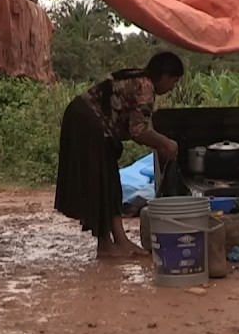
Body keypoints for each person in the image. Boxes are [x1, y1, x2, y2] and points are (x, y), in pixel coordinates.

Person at [56, 52, 184, 257]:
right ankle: (106, 245)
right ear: (165, 76)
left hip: (87, 121)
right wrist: (166, 143)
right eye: (174, 81)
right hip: (88, 123)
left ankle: (119, 241)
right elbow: (138, 131)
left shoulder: (140, 80)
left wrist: (159, 142)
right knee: (102, 183)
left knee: (110, 183)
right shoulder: (146, 86)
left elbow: (140, 123)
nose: (172, 87)